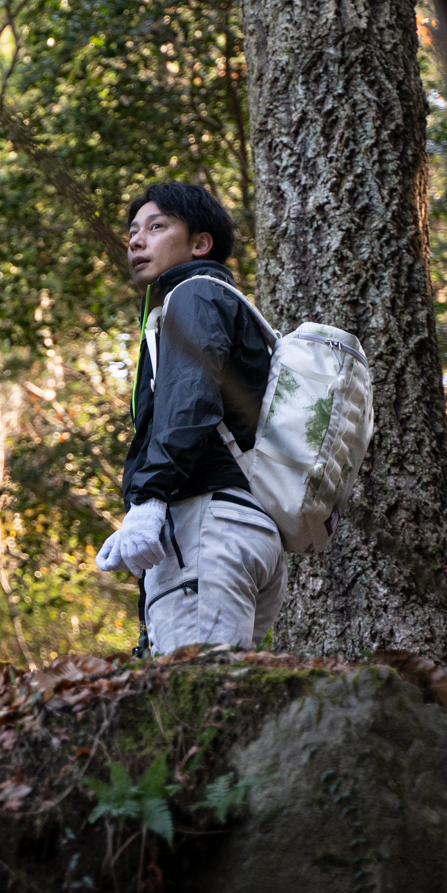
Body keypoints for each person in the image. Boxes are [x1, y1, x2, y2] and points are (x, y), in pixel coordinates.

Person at [97, 183, 286, 655]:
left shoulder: (193, 296)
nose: (137, 241)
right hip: (245, 525)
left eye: (157, 227)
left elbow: (191, 402)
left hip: (206, 525)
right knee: (230, 701)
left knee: (200, 700)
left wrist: (149, 497)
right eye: (133, 232)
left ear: (200, 243)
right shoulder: (214, 303)